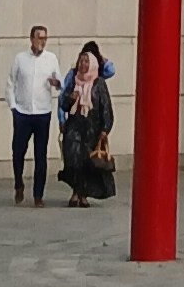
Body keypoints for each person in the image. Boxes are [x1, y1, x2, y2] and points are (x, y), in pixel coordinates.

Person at [8, 27, 60, 208]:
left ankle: (38, 195)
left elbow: (59, 82)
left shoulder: (51, 59)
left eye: (45, 38)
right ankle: (19, 183)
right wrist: (13, 107)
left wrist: (57, 83)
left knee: (41, 155)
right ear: (31, 39)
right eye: (39, 38)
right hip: (23, 112)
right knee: (18, 152)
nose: (42, 42)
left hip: (42, 112)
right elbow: (10, 83)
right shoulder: (20, 59)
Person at [59, 42, 115, 206]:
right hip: (74, 126)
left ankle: (82, 194)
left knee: (87, 162)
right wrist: (70, 99)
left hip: (92, 129)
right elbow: (63, 103)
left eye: (86, 62)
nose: (83, 65)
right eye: (81, 61)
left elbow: (106, 107)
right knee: (73, 159)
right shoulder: (73, 80)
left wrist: (105, 129)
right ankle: (76, 191)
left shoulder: (99, 83)